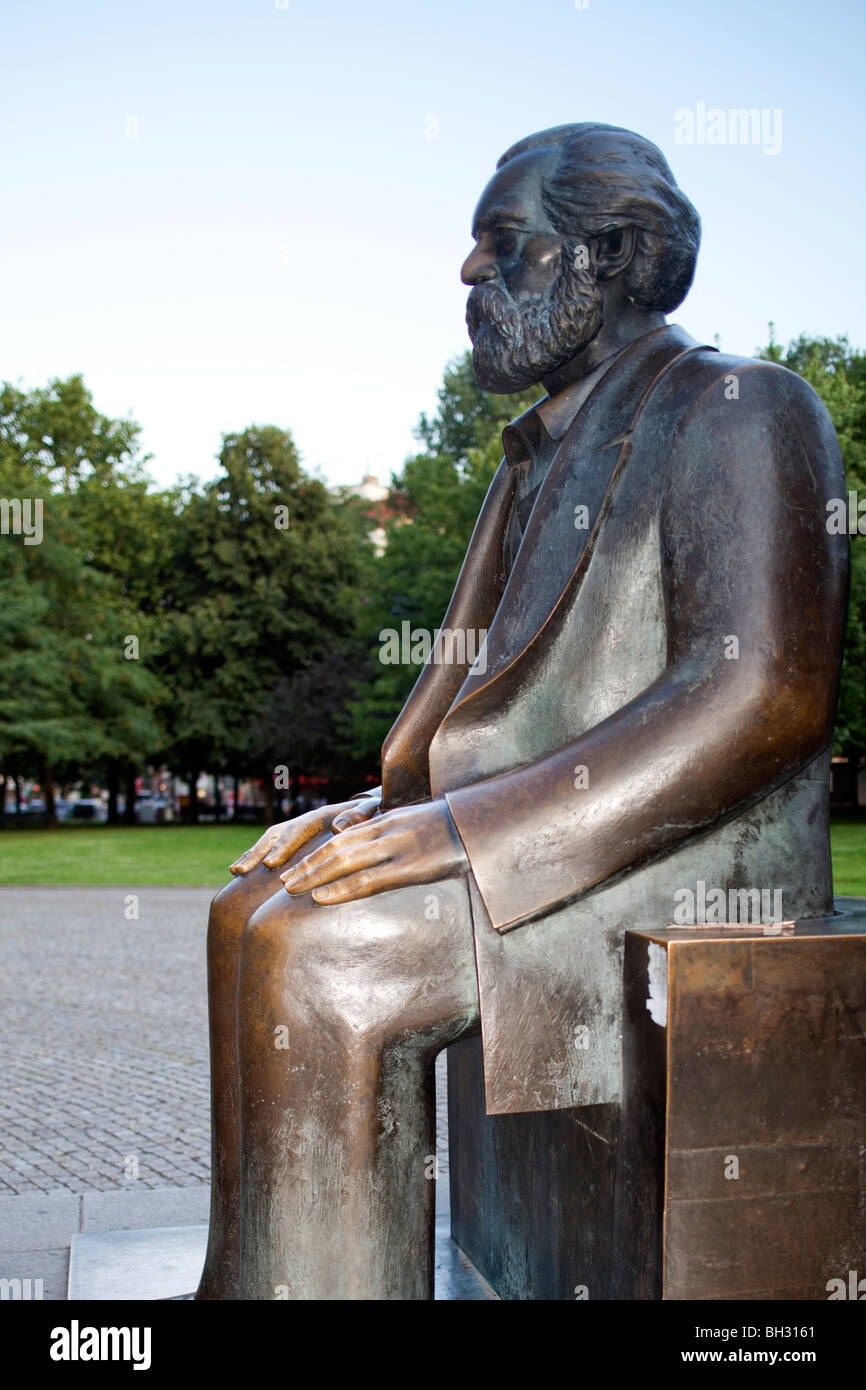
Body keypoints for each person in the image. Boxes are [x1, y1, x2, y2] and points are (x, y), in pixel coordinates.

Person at [195, 124, 847, 1300]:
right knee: (249, 911)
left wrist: (466, 832)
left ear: (605, 257)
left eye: (506, 244)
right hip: (553, 839)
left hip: (686, 861)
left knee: (323, 957)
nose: (467, 274)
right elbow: (492, 710)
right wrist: (364, 811)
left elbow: (763, 694)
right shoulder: (529, 460)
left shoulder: (741, 407)